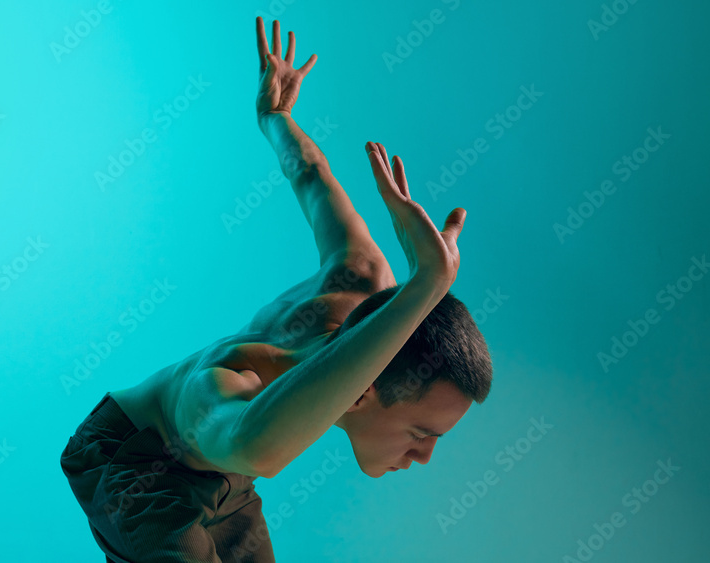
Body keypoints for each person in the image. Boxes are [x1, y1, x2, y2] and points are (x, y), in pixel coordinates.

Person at [60, 17, 493, 562]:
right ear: (360, 391)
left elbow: (311, 176)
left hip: (224, 473)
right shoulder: (231, 379)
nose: (424, 457)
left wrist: (276, 117)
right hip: (139, 460)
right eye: (421, 432)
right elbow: (256, 447)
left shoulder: (364, 278)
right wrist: (429, 282)